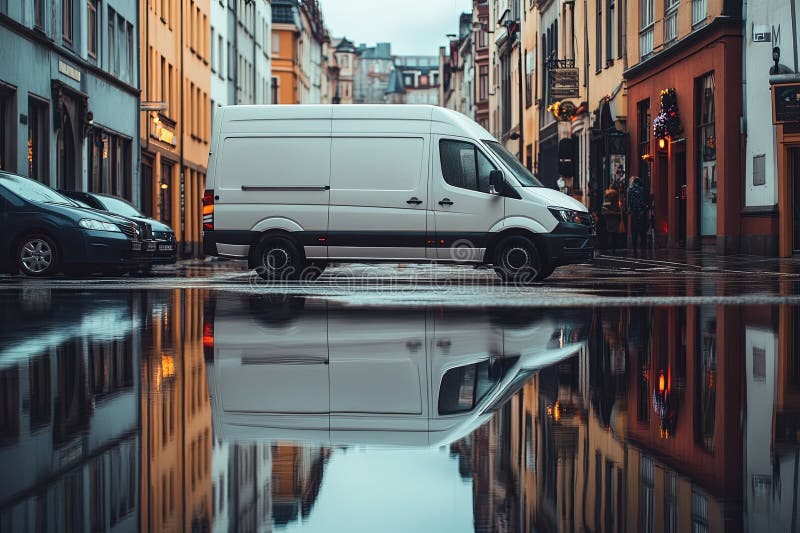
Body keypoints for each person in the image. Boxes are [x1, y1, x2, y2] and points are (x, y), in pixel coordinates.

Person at [627, 177, 650, 257]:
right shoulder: (644, 190)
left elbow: (629, 204)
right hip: (642, 215)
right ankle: (643, 249)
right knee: (643, 233)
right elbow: (647, 202)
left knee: (634, 233)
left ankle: (635, 250)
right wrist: (645, 209)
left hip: (634, 215)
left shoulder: (630, 191)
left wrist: (630, 210)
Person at [601, 188, 623, 254]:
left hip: (609, 219)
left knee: (610, 233)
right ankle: (612, 248)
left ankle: (609, 248)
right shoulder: (614, 200)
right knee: (613, 234)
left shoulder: (607, 199)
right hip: (613, 218)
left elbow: (604, 210)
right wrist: (614, 213)